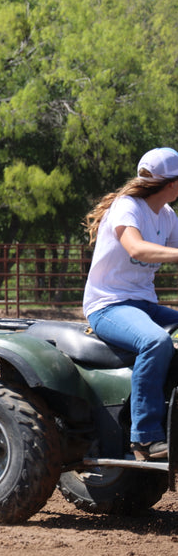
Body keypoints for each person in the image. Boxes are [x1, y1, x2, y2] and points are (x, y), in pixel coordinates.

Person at [83, 147, 178, 461]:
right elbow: (136, 249)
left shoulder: (167, 215)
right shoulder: (128, 207)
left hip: (143, 304)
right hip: (108, 306)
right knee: (156, 342)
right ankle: (145, 438)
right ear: (171, 184)